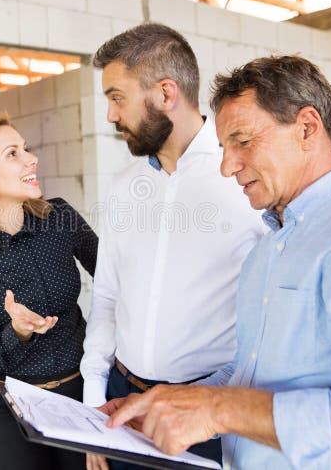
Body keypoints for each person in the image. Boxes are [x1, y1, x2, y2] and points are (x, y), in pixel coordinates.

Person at [103, 55, 331, 470]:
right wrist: (167, 403)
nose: (227, 166)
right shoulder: (268, 251)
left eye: (242, 140)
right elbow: (249, 374)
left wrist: (217, 408)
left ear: (306, 128)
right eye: (223, 148)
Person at [81, 23, 264, 470]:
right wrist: (93, 401)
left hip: (202, 414)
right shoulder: (123, 187)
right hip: (119, 405)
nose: (110, 116)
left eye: (117, 98)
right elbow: (107, 295)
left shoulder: (246, 180)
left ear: (166, 93)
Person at [0, 115, 98, 470]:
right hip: (11, 406)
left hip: (79, 394)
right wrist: (19, 331)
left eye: (25, 149)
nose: (31, 159)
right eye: (13, 154)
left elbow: (113, 283)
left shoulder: (60, 217)